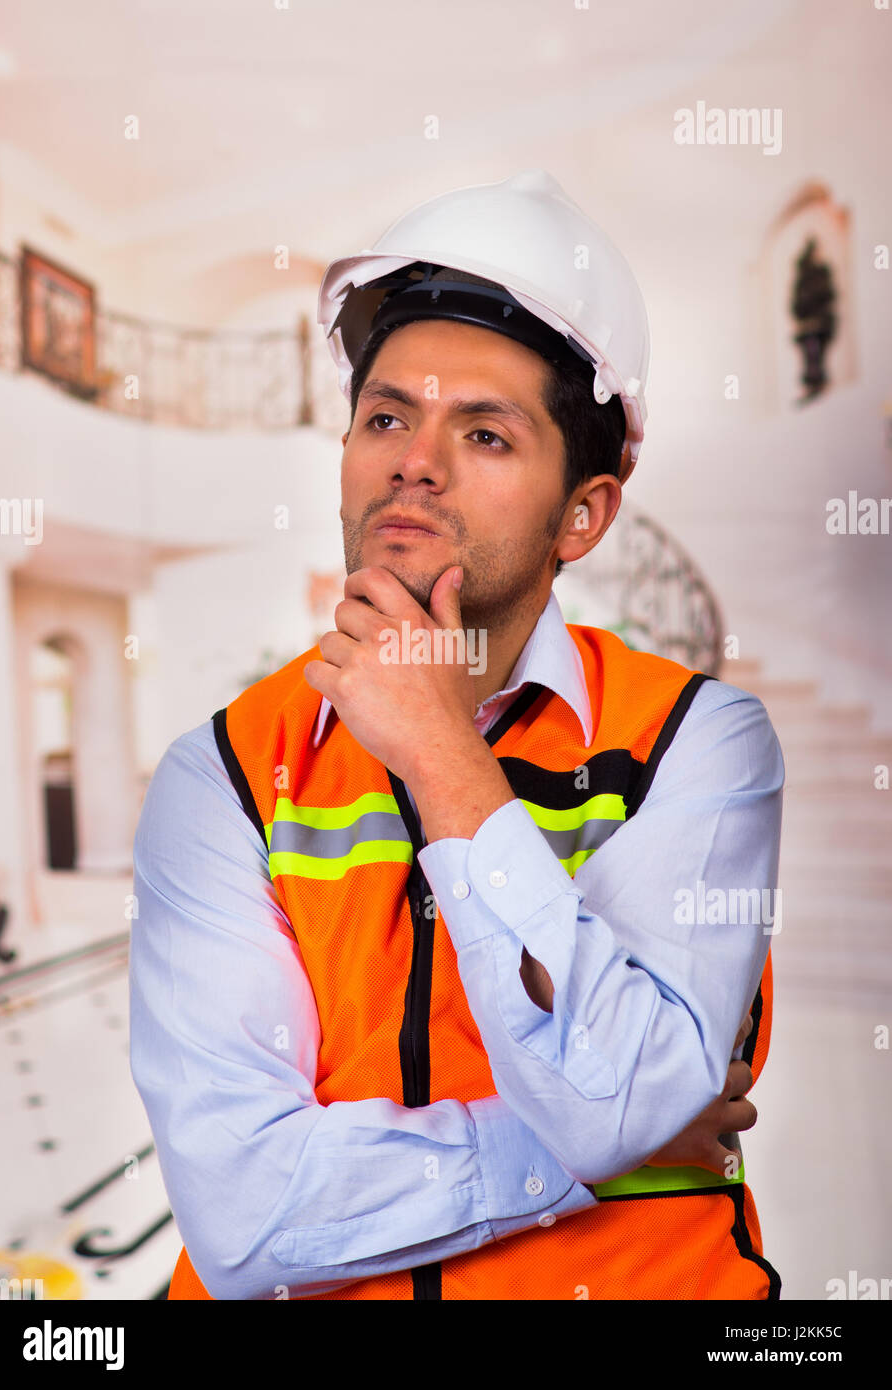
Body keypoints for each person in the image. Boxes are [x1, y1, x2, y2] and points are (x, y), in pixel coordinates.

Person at [129, 170, 783, 1301]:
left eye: (483, 432)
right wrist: (604, 1153)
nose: (412, 460)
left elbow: (613, 1091)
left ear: (581, 513)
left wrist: (439, 752)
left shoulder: (703, 744)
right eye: (386, 414)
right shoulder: (221, 774)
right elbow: (245, 1220)